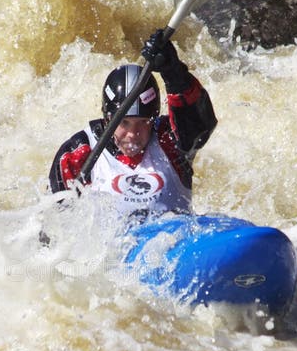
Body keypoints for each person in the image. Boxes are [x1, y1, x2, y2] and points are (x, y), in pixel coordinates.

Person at [48, 30, 217, 221]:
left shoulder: (169, 140)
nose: (132, 134)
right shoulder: (78, 153)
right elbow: (55, 228)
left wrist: (174, 73)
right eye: (124, 123)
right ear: (107, 118)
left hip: (174, 240)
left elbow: (200, 123)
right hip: (114, 248)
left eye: (143, 123)